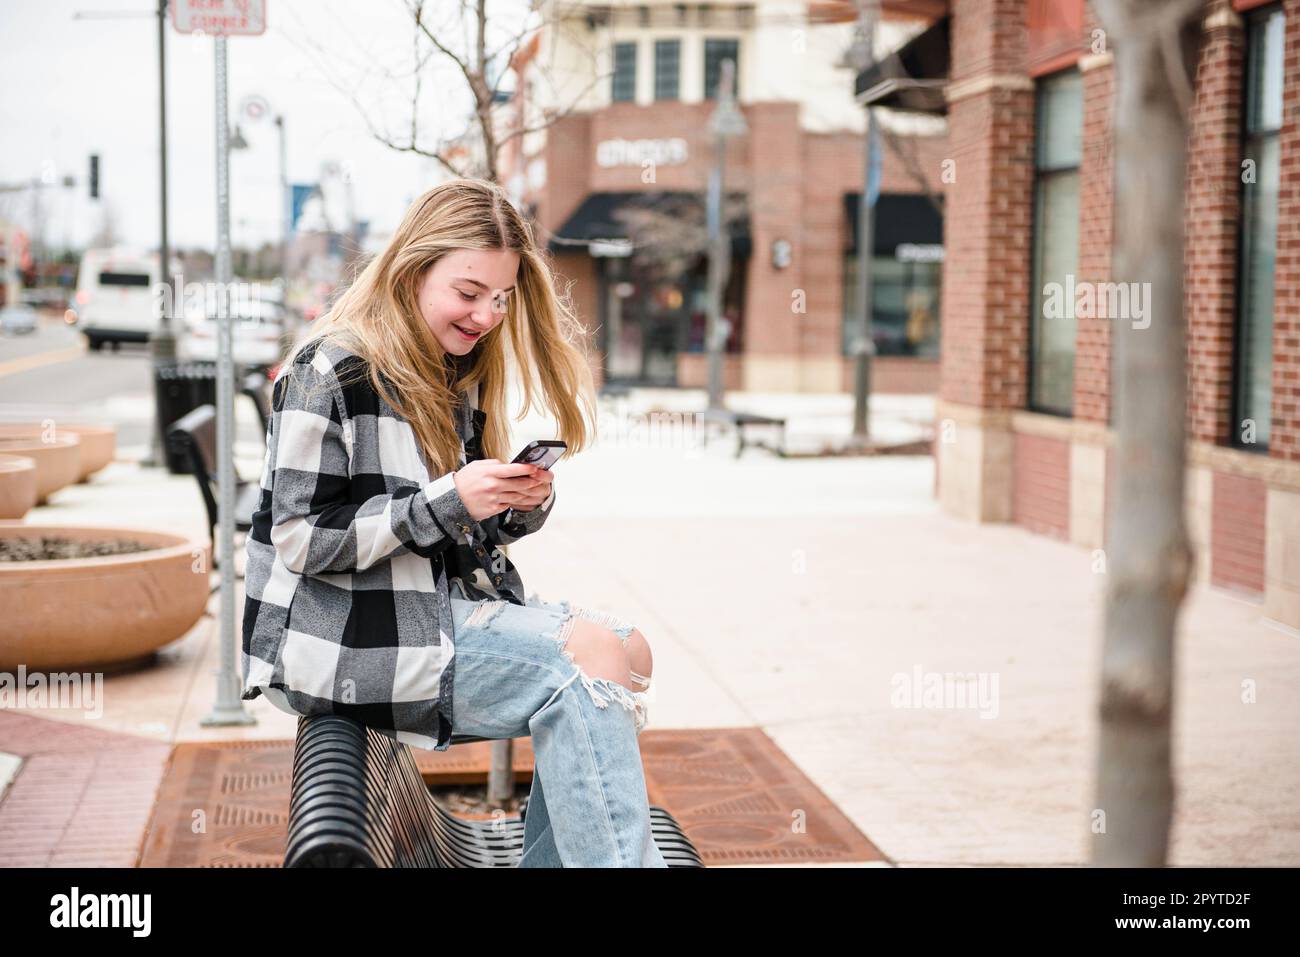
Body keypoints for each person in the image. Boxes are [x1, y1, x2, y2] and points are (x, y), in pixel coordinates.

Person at [241, 178, 666, 867]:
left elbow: (449, 531)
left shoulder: (447, 369)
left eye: (500, 298)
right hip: (348, 635)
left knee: (631, 651)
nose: (486, 315)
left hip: (423, 613)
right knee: (583, 663)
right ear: (412, 269)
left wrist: (513, 503)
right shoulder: (329, 370)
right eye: (468, 292)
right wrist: (450, 499)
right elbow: (300, 536)